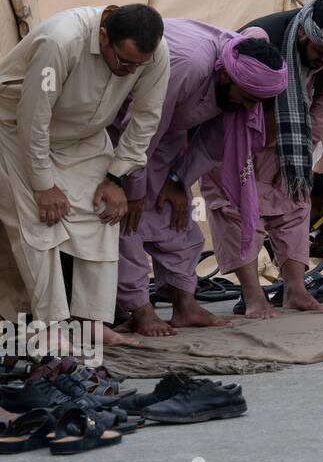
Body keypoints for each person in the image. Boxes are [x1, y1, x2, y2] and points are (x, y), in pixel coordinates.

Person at [0, 4, 169, 347]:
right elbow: (34, 118)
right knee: (39, 222)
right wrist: (43, 184)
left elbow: (146, 118)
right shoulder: (59, 41)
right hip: (16, 128)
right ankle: (52, 329)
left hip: (85, 136)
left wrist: (117, 177)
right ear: (103, 35)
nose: (129, 71)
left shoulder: (153, 54)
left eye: (138, 65)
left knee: (104, 213)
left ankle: (90, 322)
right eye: (124, 61)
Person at [115, 22, 288, 337]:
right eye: (248, 98)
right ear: (224, 76)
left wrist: (177, 179)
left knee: (174, 214)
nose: (251, 109)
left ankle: (185, 306)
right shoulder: (189, 66)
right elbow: (140, 130)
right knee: (126, 219)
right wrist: (134, 188)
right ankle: (141, 310)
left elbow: (213, 143)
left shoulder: (239, 80)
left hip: (163, 136)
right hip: (121, 134)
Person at [202, 0, 323, 318]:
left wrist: (302, 150)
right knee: (237, 209)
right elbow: (227, 92)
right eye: (319, 53)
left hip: (289, 137)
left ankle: (295, 291)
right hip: (236, 131)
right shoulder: (260, 37)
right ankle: (253, 296)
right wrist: (239, 158)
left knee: (294, 203)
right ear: (303, 34)